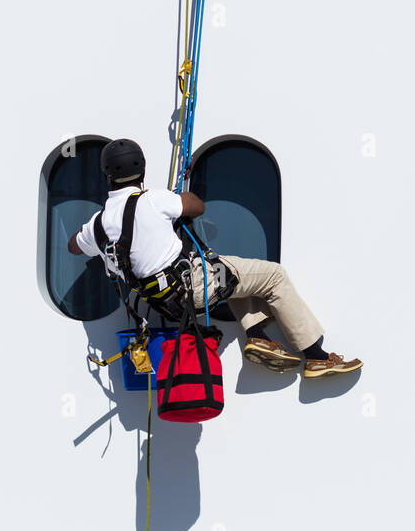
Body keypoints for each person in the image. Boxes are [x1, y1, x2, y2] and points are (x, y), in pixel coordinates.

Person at [68, 139, 362, 380]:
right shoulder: (154, 200)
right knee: (273, 276)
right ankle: (316, 357)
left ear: (107, 176)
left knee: (228, 272)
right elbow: (197, 206)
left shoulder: (98, 224)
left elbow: (73, 247)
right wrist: (174, 201)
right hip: (193, 285)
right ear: (142, 170)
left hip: (163, 302)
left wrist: (93, 231)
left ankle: (257, 335)